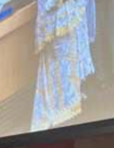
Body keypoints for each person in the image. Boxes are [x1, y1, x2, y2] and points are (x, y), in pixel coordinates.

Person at [31, 0, 95, 131]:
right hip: (56, 16)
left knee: (73, 55)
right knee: (59, 59)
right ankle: (60, 107)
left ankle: (72, 100)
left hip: (72, 10)